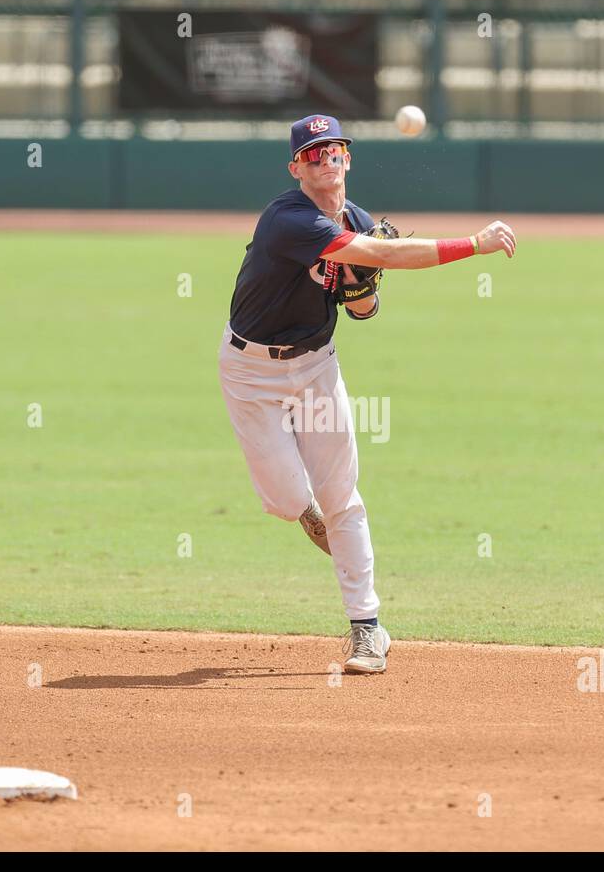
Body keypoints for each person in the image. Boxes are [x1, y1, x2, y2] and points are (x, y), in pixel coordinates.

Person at [218, 113, 517, 673]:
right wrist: (473, 244)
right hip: (250, 374)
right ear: (296, 168)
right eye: (313, 154)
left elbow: (363, 308)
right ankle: (302, 509)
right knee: (285, 501)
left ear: (347, 159)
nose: (325, 159)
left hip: (315, 369)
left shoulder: (355, 221)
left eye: (334, 150)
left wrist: (361, 290)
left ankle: (367, 629)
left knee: (343, 497)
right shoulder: (289, 218)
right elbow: (383, 255)